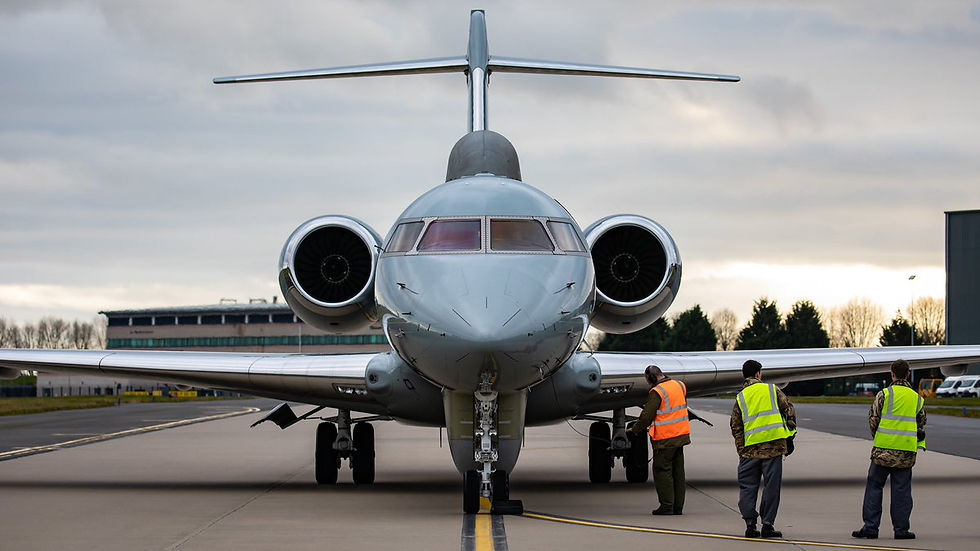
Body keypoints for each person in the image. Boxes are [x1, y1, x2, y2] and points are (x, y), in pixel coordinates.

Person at [852, 359, 925, 541]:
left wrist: (879, 437)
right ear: (907, 374)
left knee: (874, 487)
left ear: (892, 374)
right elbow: (921, 423)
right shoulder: (917, 398)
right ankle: (901, 530)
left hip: (883, 451)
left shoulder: (884, 394)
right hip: (906, 453)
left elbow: (873, 419)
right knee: (902, 491)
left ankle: (870, 528)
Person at [731, 359, 796, 539]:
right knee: (771, 487)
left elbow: (736, 426)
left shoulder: (740, 397)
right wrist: (789, 437)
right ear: (758, 373)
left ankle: (750, 525)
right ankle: (768, 525)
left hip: (749, 451)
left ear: (744, 375)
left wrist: (741, 449)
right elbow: (789, 412)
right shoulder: (772, 390)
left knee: (747, 487)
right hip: (773, 448)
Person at [628, 364, 691, 515]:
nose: (648, 384)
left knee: (662, 470)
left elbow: (646, 416)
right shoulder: (679, 385)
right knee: (678, 472)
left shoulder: (657, 392)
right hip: (681, 435)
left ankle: (666, 505)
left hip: (665, 438)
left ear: (652, 377)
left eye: (648, 380)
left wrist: (635, 430)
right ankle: (678, 506)